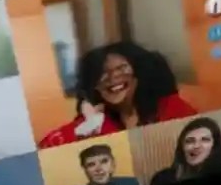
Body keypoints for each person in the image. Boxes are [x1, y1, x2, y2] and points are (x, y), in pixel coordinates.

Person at [38, 41, 198, 148]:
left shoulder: (170, 106)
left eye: (121, 68)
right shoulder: (92, 122)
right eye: (102, 73)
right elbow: (46, 148)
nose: (113, 77)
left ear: (139, 73)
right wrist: (85, 133)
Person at [149, 117, 221, 185]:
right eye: (190, 141)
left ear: (215, 146)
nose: (196, 146)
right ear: (181, 147)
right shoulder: (162, 179)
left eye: (205, 140)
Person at [63, 145, 141, 185]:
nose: (99, 169)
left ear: (113, 164)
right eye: (91, 164)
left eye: (104, 161)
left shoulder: (131, 184)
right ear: (85, 169)